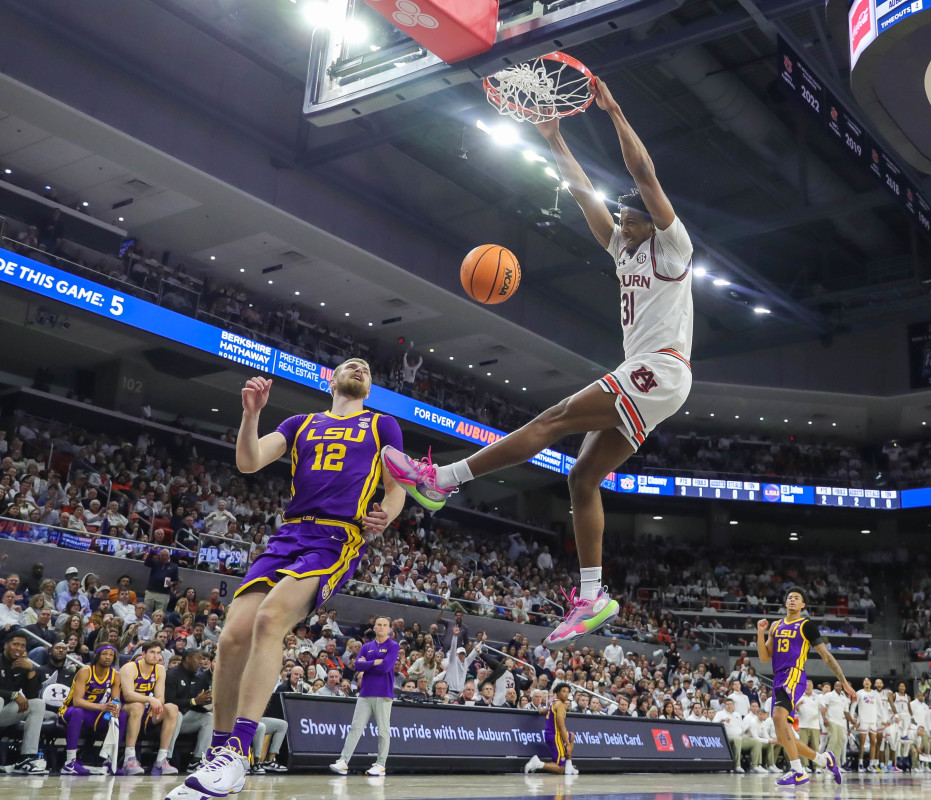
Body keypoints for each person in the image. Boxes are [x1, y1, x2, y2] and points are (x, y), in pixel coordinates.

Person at [384, 77, 694, 650]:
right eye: (623, 214)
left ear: (654, 220)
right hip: (652, 374)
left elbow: (644, 175)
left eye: (633, 215)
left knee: (552, 419)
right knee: (580, 477)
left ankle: (443, 479)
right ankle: (593, 593)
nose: (625, 219)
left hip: (662, 367)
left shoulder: (674, 248)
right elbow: (581, 195)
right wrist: (554, 139)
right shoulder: (623, 248)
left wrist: (615, 109)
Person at [165, 359, 408, 800]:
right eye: (350, 364)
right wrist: (251, 414)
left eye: (369, 369)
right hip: (289, 533)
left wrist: (384, 518)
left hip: (337, 536)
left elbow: (397, 489)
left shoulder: (383, 425)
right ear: (328, 379)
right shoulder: (301, 423)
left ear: (369, 389)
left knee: (269, 619)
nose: (360, 367)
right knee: (232, 635)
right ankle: (219, 757)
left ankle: (238, 752)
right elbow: (249, 461)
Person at [756, 590, 855, 786]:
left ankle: (798, 771)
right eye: (789, 597)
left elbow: (826, 656)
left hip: (793, 674)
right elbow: (764, 656)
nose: (792, 600)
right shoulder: (775, 626)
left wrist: (843, 681)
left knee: (777, 717)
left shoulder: (806, 626)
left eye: (797, 598)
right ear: (785, 602)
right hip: (778, 677)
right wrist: (760, 633)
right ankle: (824, 760)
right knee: (785, 736)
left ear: (802, 605)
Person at [330, 616, 400, 777]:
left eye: (384, 625)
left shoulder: (393, 645)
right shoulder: (366, 646)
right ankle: (343, 761)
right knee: (356, 727)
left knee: (383, 730)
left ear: (389, 629)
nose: (381, 627)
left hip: (383, 693)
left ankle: (381, 764)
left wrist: (368, 663)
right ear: (374, 628)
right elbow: (357, 665)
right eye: (379, 625)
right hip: (365, 692)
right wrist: (376, 662)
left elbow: (386, 667)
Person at [117, 640, 179, 775]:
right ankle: (129, 758)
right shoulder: (130, 667)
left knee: (172, 708)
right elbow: (127, 695)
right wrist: (151, 700)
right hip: (124, 709)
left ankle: (161, 760)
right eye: (152, 652)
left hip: (145, 708)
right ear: (144, 653)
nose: (156, 656)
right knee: (137, 706)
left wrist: (156, 703)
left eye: (158, 653)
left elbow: (160, 696)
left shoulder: (160, 669)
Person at [59, 643, 120, 775]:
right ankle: (70, 762)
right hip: (70, 710)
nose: (108, 657)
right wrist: (102, 706)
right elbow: (77, 702)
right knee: (78, 711)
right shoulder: (85, 671)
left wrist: (115, 706)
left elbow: (116, 699)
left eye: (111, 655)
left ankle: (110, 761)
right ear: (97, 656)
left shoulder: (115, 674)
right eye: (104, 654)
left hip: (93, 713)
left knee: (122, 715)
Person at [0, 631, 49, 774]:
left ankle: (27, 758)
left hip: (5, 713)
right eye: (16, 644)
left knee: (38, 704)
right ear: (6, 645)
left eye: (22, 646)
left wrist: (30, 671)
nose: (19, 648)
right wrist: (14, 694)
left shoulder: (23, 666)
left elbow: (31, 696)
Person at [165, 648, 214, 771]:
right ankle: (165, 759)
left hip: (185, 719)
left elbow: (195, 703)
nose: (201, 662)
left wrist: (206, 705)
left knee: (209, 718)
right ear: (188, 659)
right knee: (177, 713)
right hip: (166, 719)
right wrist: (194, 701)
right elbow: (169, 701)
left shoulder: (197, 678)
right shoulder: (171, 674)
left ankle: (198, 760)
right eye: (198, 658)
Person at [524, 683, 578, 775]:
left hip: (550, 734)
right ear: (557, 693)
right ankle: (537, 763)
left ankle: (569, 765)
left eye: (567, 692)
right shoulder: (560, 705)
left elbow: (541, 711)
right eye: (563, 691)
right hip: (555, 736)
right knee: (560, 769)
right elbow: (561, 726)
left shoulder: (553, 703)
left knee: (572, 736)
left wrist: (540, 709)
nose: (566, 694)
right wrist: (568, 745)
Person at [854, 677, 880, 772]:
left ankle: (871, 765)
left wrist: (883, 719)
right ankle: (860, 764)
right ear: (863, 683)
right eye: (864, 680)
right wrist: (855, 720)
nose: (866, 682)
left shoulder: (875, 694)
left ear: (871, 683)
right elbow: (853, 706)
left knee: (874, 743)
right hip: (863, 720)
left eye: (868, 680)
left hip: (873, 721)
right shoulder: (859, 693)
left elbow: (880, 707)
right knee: (862, 744)